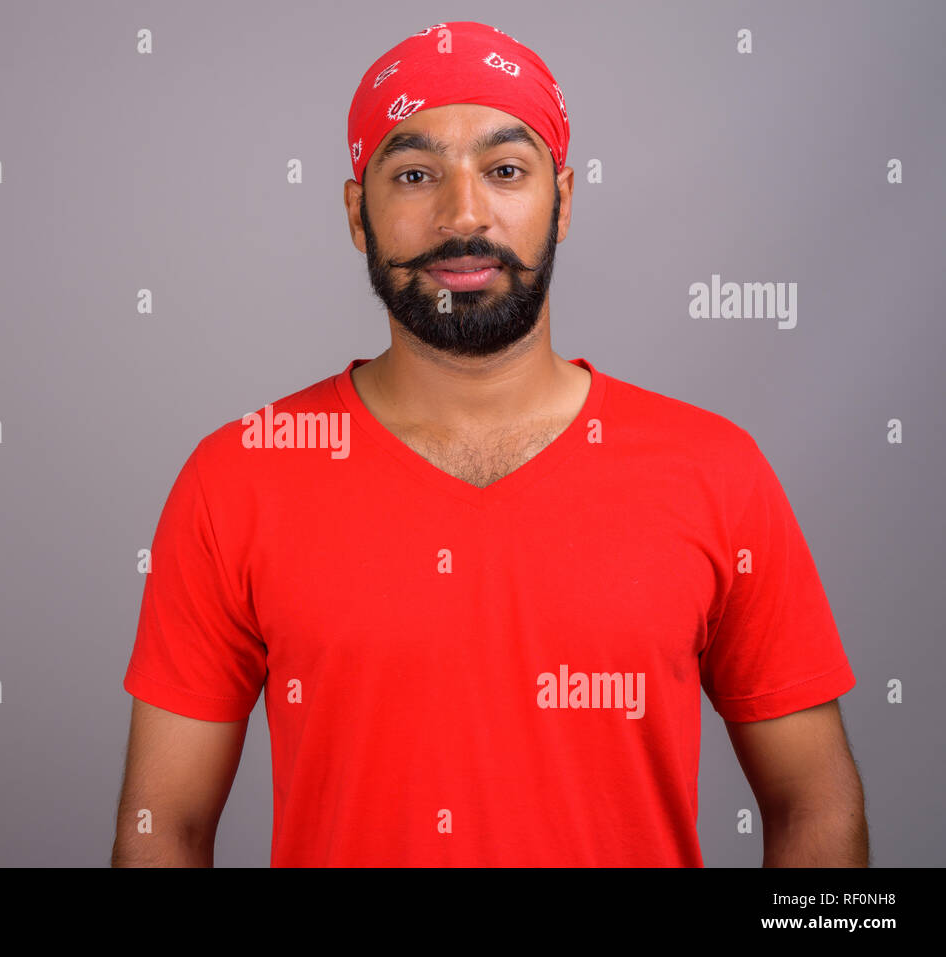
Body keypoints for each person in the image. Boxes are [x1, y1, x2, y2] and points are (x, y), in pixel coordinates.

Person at [111, 21, 866, 867]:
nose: (463, 213)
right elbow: (163, 832)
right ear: (358, 214)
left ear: (565, 201)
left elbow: (816, 808)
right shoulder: (239, 476)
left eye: (505, 170)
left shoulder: (716, 472)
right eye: (414, 174)